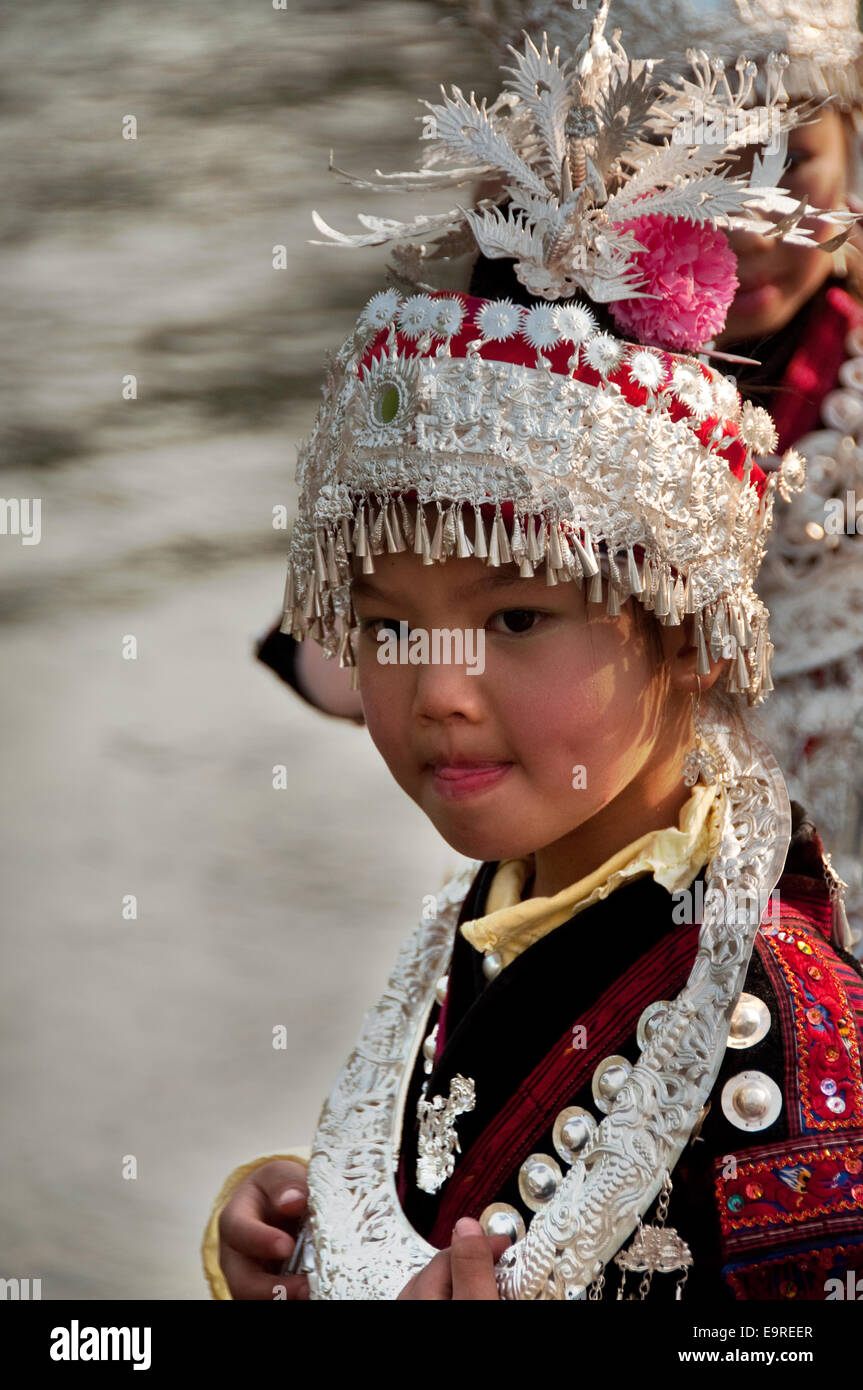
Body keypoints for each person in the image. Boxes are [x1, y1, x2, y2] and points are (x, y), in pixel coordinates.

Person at [203, 9, 863, 1299]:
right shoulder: (501, 906)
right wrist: (317, 1239)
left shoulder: (803, 1068)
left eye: (513, 619)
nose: (435, 691)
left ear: (691, 634)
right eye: (390, 625)